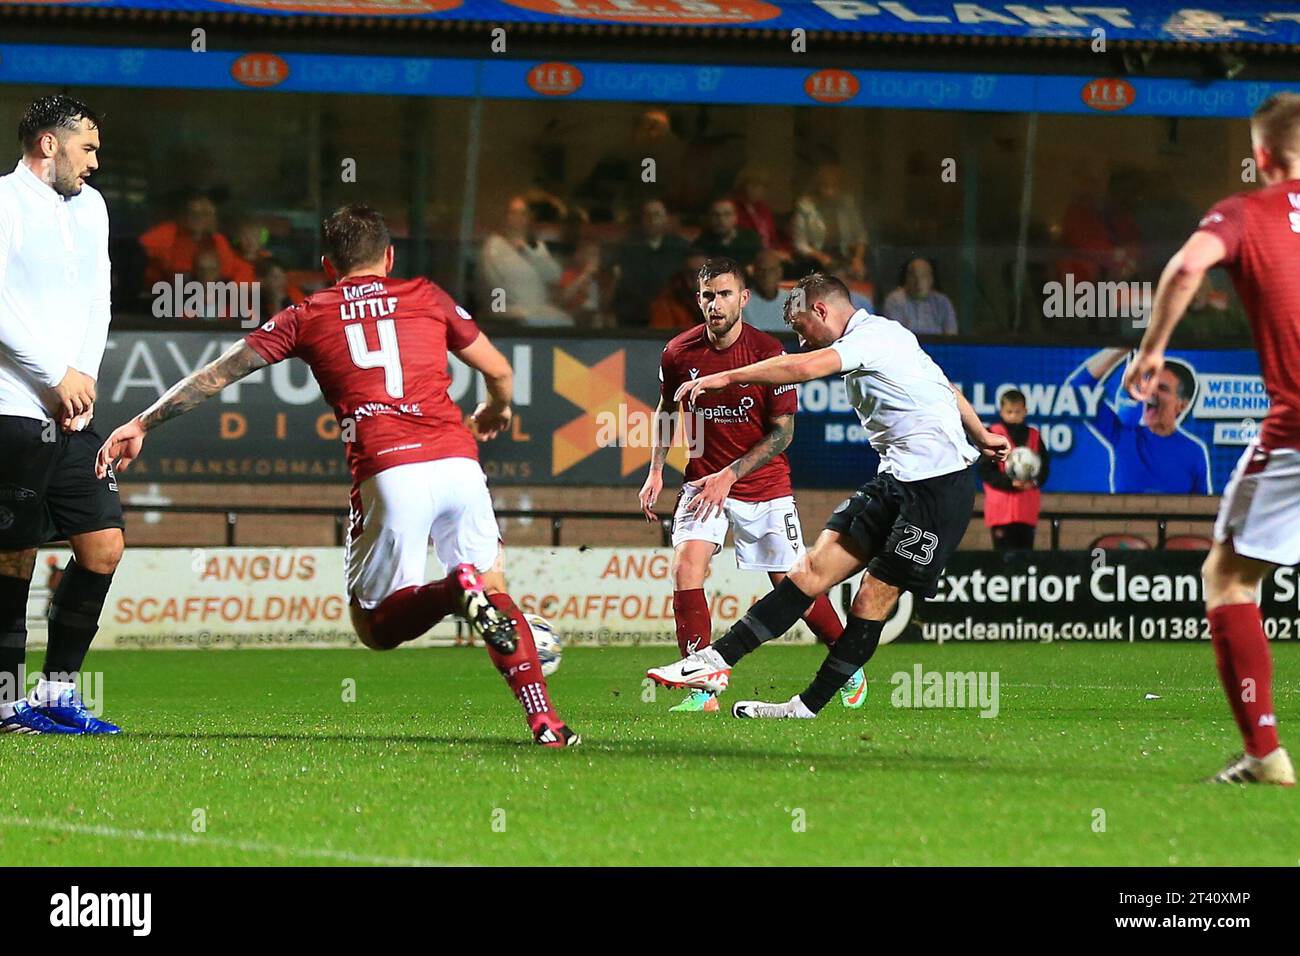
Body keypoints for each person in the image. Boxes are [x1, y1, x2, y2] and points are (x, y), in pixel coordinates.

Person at [98, 204, 580, 747]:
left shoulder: (309, 313)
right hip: (458, 464)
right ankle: (545, 721)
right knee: (494, 591)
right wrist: (498, 408)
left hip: (392, 470)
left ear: (328, 264)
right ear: (390, 256)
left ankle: (453, 590)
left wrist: (142, 421)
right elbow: (498, 370)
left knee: (375, 628)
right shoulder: (426, 294)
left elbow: (218, 374)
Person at [646, 275, 1009, 719]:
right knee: (809, 570)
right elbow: (945, 388)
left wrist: (728, 377)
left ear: (821, 311)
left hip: (937, 489)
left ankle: (807, 706)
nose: (800, 342)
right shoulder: (891, 336)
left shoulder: (870, 337)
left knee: (871, 597)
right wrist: (983, 433)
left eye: (800, 329)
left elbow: (801, 370)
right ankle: (712, 662)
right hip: (895, 480)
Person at [1122, 92, 1300, 785]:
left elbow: (1189, 267)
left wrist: (1152, 350)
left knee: (1228, 578)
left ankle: (1265, 756)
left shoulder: (1244, 212)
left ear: (1259, 158)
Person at [638, 259, 863, 713]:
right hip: (703, 484)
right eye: (706, 295)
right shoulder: (678, 353)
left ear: (743, 298)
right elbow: (665, 411)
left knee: (794, 586)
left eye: (723, 294)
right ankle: (703, 689)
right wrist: (656, 469)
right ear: (697, 298)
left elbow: (783, 433)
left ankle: (848, 662)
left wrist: (731, 474)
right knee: (687, 568)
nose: (714, 304)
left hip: (763, 485)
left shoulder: (771, 354)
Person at [0, 95, 123, 735]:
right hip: (13, 405)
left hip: (72, 409)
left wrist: (84, 377)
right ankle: (4, 702)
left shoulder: (93, 209)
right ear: (49, 144)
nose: (95, 163)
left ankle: (56, 693)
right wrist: (54, 376)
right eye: (88, 148)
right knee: (13, 554)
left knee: (103, 545)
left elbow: (98, 298)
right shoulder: (3, 203)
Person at [1067, 347, 1210, 494]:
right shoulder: (1125, 433)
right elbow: (1076, 391)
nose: (1151, 392)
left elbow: (1203, 509)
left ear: (1182, 405)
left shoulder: (1194, 451)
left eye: (1162, 388)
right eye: (1149, 384)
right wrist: (1120, 348)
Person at [477, 195, 572, 327]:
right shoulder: (494, 246)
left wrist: (526, 250)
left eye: (523, 214)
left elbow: (555, 275)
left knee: (565, 322)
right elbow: (493, 284)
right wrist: (501, 312)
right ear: (506, 217)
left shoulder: (535, 246)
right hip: (512, 312)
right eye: (514, 213)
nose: (518, 218)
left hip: (540, 311)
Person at [979, 389, 1050, 550]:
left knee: (1025, 558)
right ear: (1002, 412)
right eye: (1009, 412)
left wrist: (1034, 482)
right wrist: (1010, 483)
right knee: (1002, 561)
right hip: (1001, 511)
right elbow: (985, 471)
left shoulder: (1034, 435)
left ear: (1025, 411)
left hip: (1027, 510)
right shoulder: (993, 434)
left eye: (1018, 412)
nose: (1013, 416)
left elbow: (1044, 466)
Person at [139, 193, 254, 287]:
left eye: (205, 214)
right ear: (184, 215)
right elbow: (141, 251)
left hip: (211, 291)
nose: (199, 218)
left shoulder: (218, 240)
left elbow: (228, 271)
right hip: (171, 292)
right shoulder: (168, 232)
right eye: (194, 213)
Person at [611, 199, 687, 328]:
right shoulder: (628, 247)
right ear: (641, 220)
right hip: (635, 314)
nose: (652, 220)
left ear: (666, 219)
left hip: (672, 312)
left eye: (657, 215)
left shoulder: (681, 248)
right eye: (648, 215)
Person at [790, 164, 869, 281]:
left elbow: (860, 236)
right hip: (814, 259)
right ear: (817, 187)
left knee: (860, 274)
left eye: (833, 187)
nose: (829, 192)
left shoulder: (847, 204)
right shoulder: (805, 205)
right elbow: (800, 243)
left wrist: (858, 259)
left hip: (842, 255)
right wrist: (821, 257)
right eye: (825, 187)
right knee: (835, 277)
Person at [882, 257, 958, 336]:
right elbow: (895, 336)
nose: (918, 282)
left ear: (931, 279)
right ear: (906, 278)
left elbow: (951, 336)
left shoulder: (942, 302)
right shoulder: (894, 300)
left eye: (923, 276)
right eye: (913, 276)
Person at [695, 198, 762, 269]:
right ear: (709, 218)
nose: (721, 219)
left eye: (727, 214)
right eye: (715, 215)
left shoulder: (751, 239)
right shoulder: (702, 243)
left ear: (735, 217)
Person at [744, 249, 787, 332]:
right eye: (762, 270)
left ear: (780, 272)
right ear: (754, 272)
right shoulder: (742, 301)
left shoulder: (794, 301)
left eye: (771, 271)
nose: (766, 276)